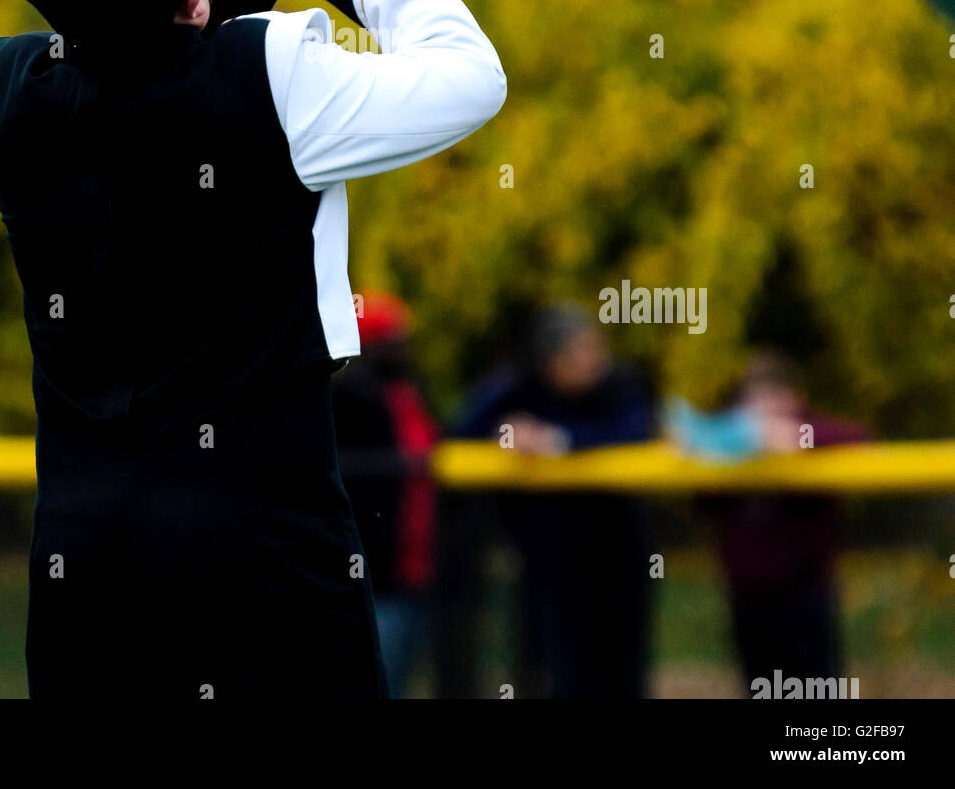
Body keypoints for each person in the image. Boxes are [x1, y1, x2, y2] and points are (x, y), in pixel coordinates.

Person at [0, 0, 506, 699]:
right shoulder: (277, 73)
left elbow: (142, 75)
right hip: (265, 555)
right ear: (190, 0)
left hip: (84, 566)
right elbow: (470, 77)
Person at [453, 303, 655, 698]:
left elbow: (635, 432)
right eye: (581, 351)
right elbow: (458, 434)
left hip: (618, 556)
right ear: (550, 360)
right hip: (550, 561)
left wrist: (556, 441)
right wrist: (506, 433)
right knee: (554, 670)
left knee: (620, 670)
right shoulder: (517, 387)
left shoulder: (620, 385)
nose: (595, 360)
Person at [677, 349, 871, 692]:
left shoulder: (813, 430)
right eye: (757, 402)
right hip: (747, 596)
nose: (765, 414)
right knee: (759, 682)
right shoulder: (731, 442)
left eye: (776, 399)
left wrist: (798, 438)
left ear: (797, 398)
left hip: (806, 593)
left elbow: (860, 442)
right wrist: (707, 451)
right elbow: (703, 503)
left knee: (815, 685)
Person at [331, 291, 439, 697]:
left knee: (404, 674)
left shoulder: (411, 391)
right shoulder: (350, 394)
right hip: (376, 569)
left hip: (418, 563)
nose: (400, 348)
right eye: (391, 339)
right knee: (377, 675)